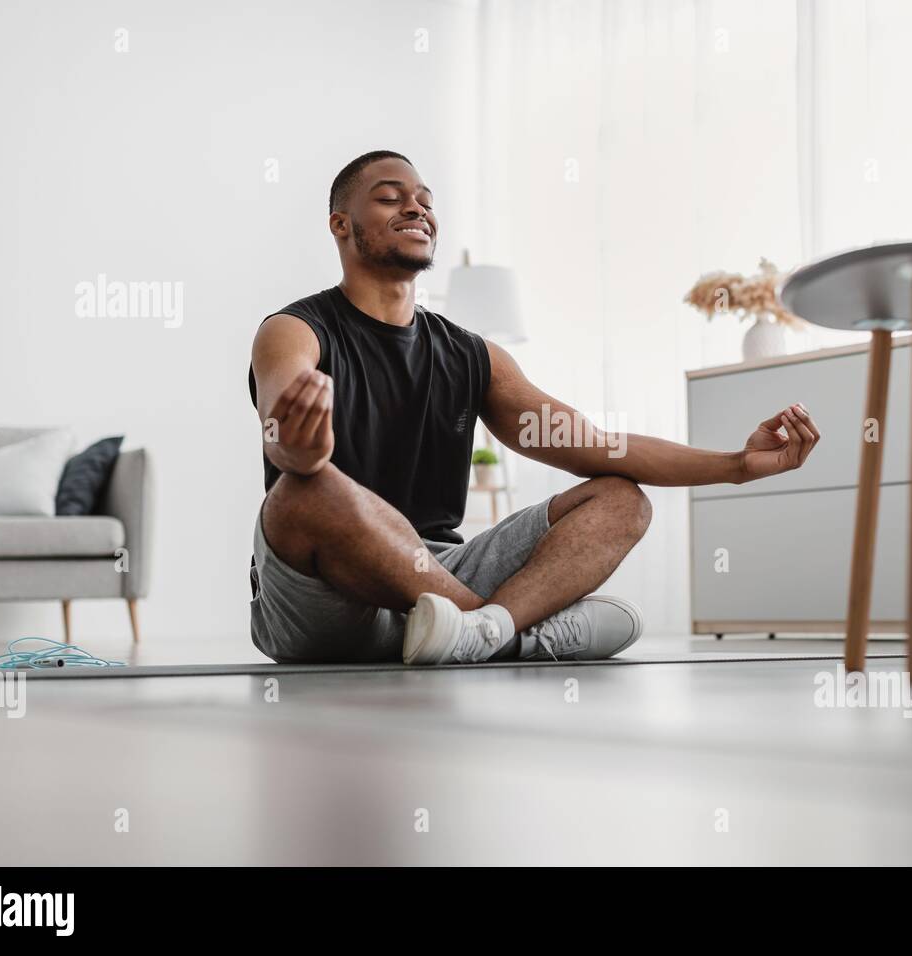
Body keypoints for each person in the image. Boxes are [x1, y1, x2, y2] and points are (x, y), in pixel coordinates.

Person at [248, 150, 821, 666]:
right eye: (390, 198)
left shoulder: (472, 355)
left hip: (439, 578)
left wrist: (737, 465)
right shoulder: (295, 330)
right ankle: (502, 633)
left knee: (621, 497)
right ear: (340, 225)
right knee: (305, 491)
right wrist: (301, 446)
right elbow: (284, 437)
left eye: (425, 200)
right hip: (327, 602)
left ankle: (475, 630)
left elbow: (600, 446)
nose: (416, 208)